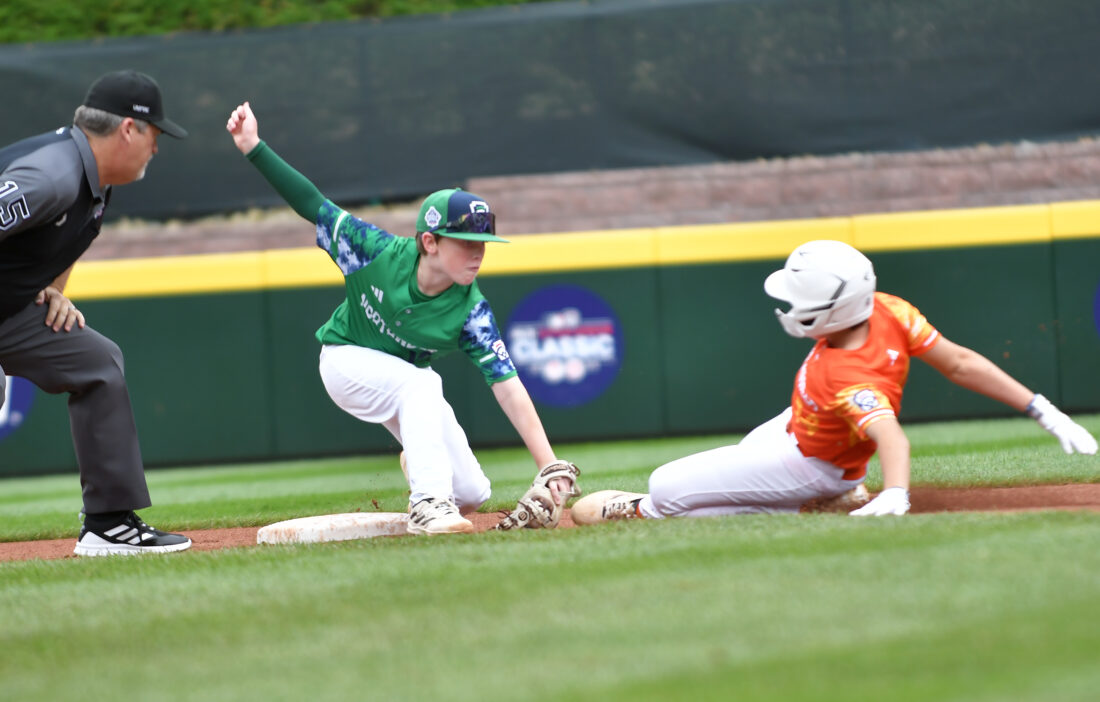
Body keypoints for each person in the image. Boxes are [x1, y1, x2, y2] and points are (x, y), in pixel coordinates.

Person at [225, 101, 578, 534]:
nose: (478, 252)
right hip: (344, 360)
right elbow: (312, 204)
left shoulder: (472, 311)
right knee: (423, 382)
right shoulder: (374, 251)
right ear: (430, 241)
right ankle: (426, 504)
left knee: (471, 493)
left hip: (403, 387)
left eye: (483, 243)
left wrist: (549, 465)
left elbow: (509, 387)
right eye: (466, 242)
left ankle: (421, 468)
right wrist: (253, 146)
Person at [573, 239, 1097, 523]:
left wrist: (896, 494)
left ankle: (652, 512)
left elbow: (891, 436)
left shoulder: (842, 370)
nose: (788, 307)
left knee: (666, 486)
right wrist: (1042, 409)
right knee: (736, 458)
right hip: (798, 426)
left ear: (833, 308)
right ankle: (815, 498)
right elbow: (959, 363)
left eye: (799, 300)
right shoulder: (889, 309)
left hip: (814, 463)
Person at [0, 70, 192, 555]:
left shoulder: (96, 181)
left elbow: (57, 243)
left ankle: (107, 522)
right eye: (155, 134)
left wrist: (52, 289)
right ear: (129, 129)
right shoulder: (53, 175)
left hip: (11, 312)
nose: (157, 147)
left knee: (96, 363)